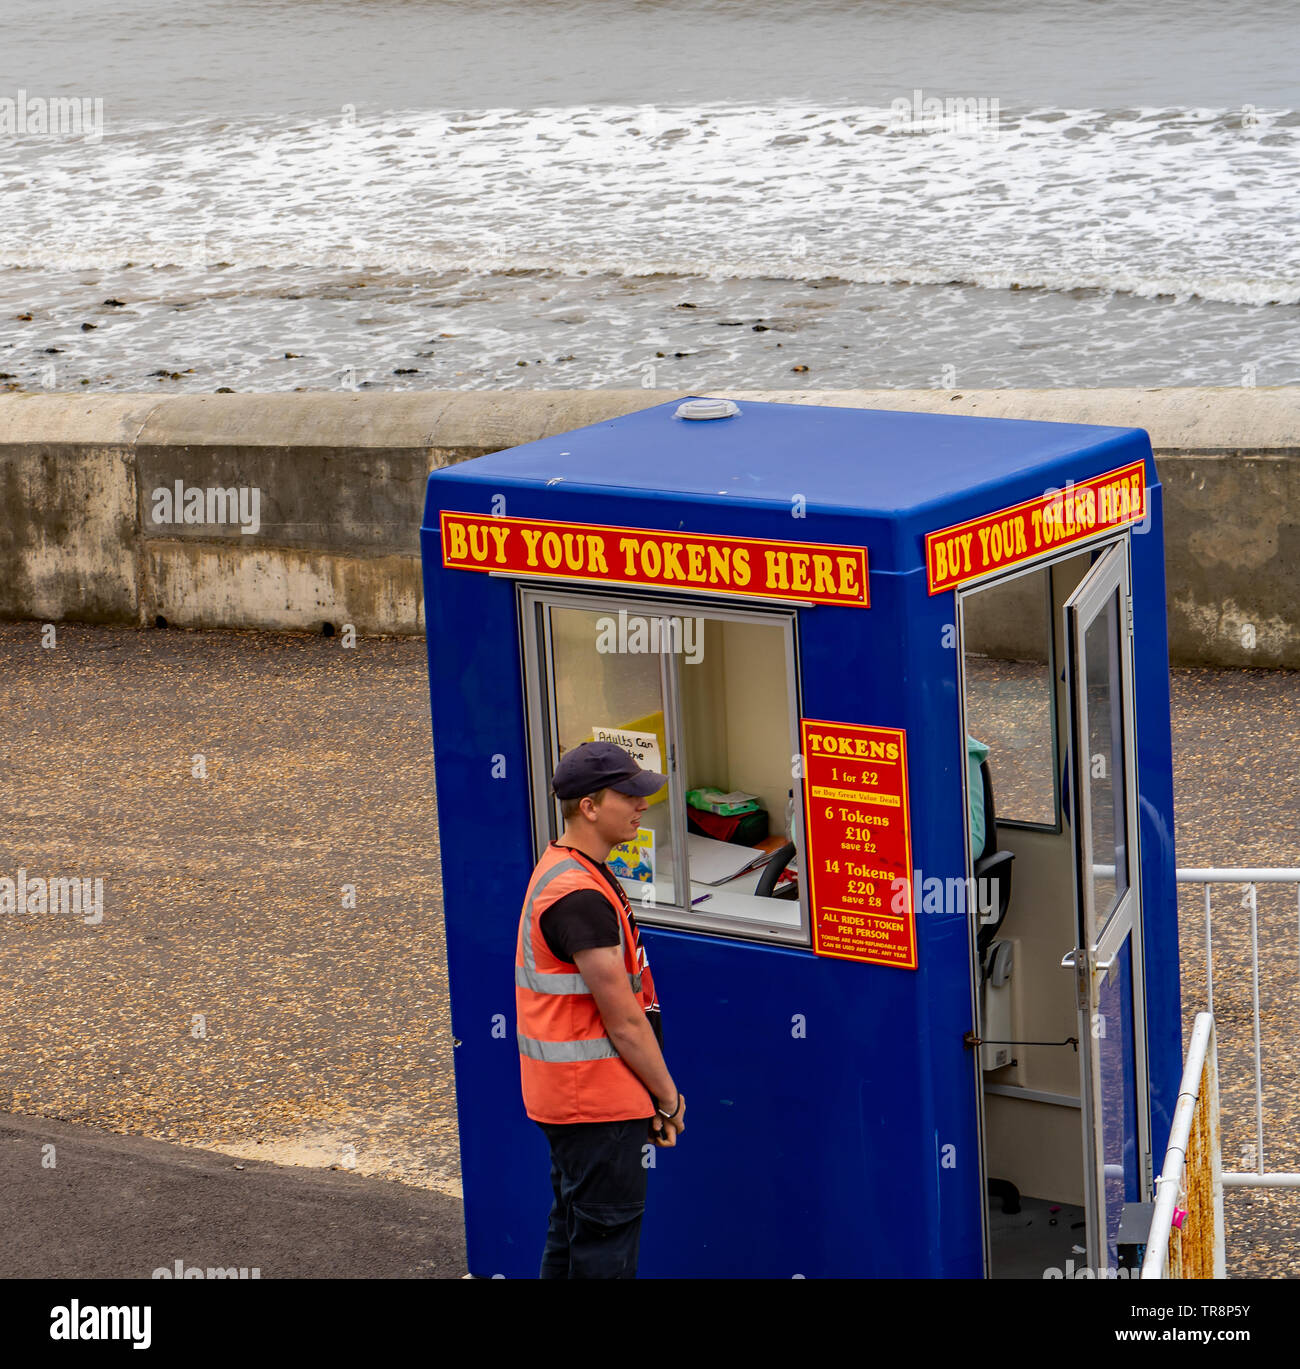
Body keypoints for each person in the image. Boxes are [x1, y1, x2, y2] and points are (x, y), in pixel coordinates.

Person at [516, 740, 685, 1279]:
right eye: (629, 795)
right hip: (597, 1105)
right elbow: (625, 1020)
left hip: (574, 1101)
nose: (642, 805)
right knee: (603, 1252)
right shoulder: (579, 896)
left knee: (572, 1236)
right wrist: (668, 1097)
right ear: (589, 806)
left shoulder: (568, 870)